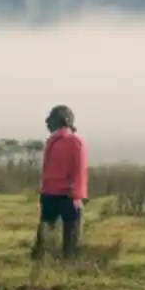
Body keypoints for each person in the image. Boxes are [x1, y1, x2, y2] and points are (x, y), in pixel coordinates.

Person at [33, 106, 88, 261]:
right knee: (71, 235)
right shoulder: (76, 142)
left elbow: (46, 169)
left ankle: (40, 260)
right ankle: (67, 262)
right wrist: (77, 194)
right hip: (68, 195)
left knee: (45, 231)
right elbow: (80, 170)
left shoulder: (52, 141)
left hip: (49, 193)